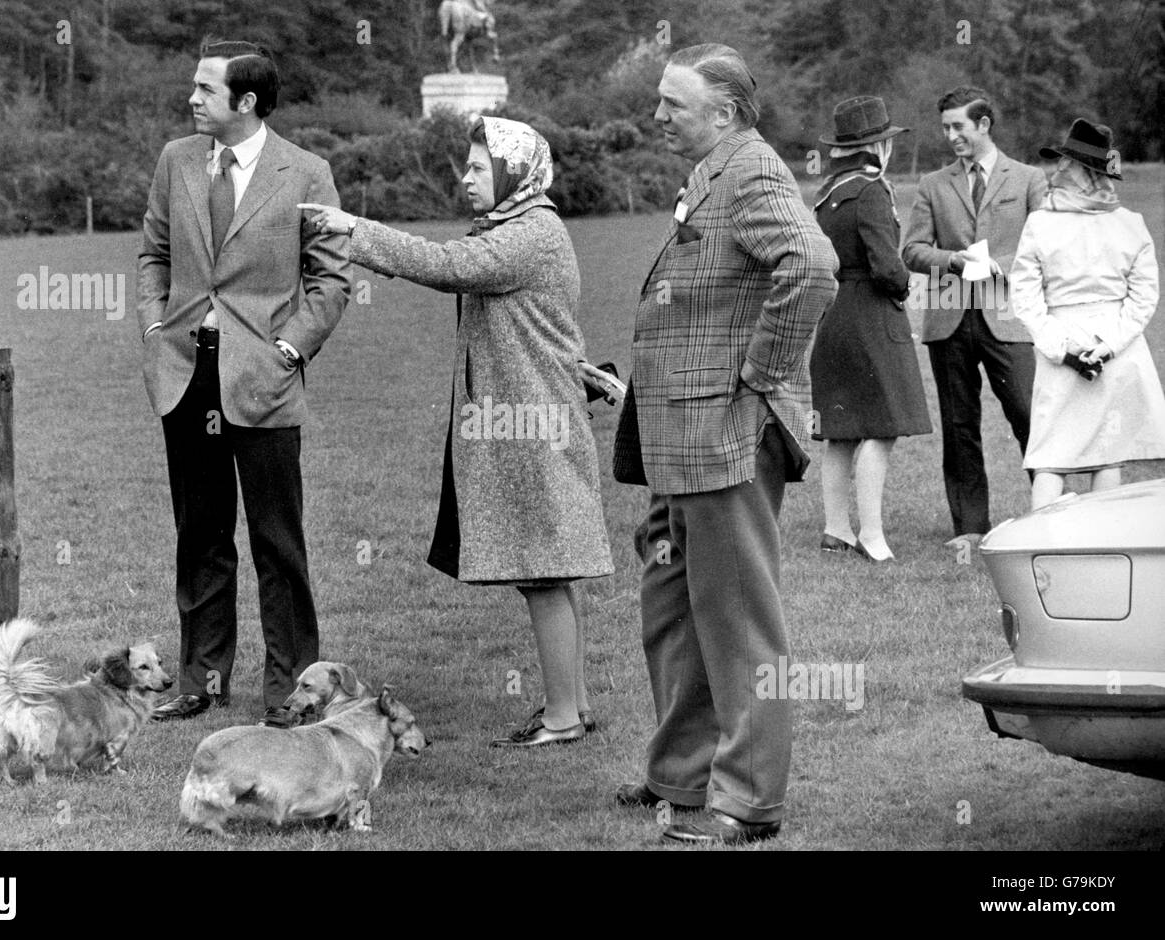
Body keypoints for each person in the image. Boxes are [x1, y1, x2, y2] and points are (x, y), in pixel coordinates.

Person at [300, 116, 615, 747]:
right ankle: (569, 708)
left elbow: (446, 265)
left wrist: (353, 231)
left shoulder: (531, 232)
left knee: (544, 572)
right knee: (546, 570)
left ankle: (561, 718)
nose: (466, 179)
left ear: (513, 172)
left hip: (532, 425)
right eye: (467, 168)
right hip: (528, 419)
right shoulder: (519, 227)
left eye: (478, 168)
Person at [611, 44, 838, 845]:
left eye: (673, 104)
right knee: (671, 608)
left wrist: (761, 374)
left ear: (725, 112)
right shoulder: (716, 167)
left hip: (726, 435)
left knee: (739, 622)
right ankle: (680, 772)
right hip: (683, 438)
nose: (658, 115)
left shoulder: (750, 171)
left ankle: (746, 803)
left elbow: (812, 267)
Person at [137, 39, 351, 727]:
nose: (191, 99)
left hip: (265, 381)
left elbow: (330, 276)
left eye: (204, 89)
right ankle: (201, 678)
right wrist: (154, 327)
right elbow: (154, 254)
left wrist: (290, 347)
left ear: (247, 101)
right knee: (199, 536)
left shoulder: (307, 172)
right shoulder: (176, 159)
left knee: (277, 543)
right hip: (185, 377)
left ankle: (293, 688)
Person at [902, 86, 1047, 548]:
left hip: (1009, 317)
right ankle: (969, 528)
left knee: (1028, 414)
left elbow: (1046, 243)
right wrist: (952, 261)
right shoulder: (932, 184)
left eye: (958, 126)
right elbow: (912, 250)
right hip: (948, 319)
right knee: (960, 425)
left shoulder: (1027, 179)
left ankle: (1050, 516)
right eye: (945, 128)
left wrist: (1000, 262)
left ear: (984, 125)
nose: (950, 137)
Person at [1009, 119, 1165, 508]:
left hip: (1080, 345)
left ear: (1085, 172)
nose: (1057, 171)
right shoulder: (1050, 222)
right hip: (1102, 346)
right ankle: (1060, 545)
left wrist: (1068, 349)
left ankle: (1066, 549)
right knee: (1078, 454)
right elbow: (1143, 300)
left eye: (1067, 164)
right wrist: (1101, 347)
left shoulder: (1047, 223)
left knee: (1066, 455)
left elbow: (1026, 299)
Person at [810, 96, 932, 562]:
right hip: (872, 317)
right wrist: (904, 288)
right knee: (883, 429)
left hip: (834, 316)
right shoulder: (872, 190)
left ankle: (835, 530)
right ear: (878, 145)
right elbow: (887, 266)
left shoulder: (827, 194)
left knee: (841, 431)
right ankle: (873, 536)